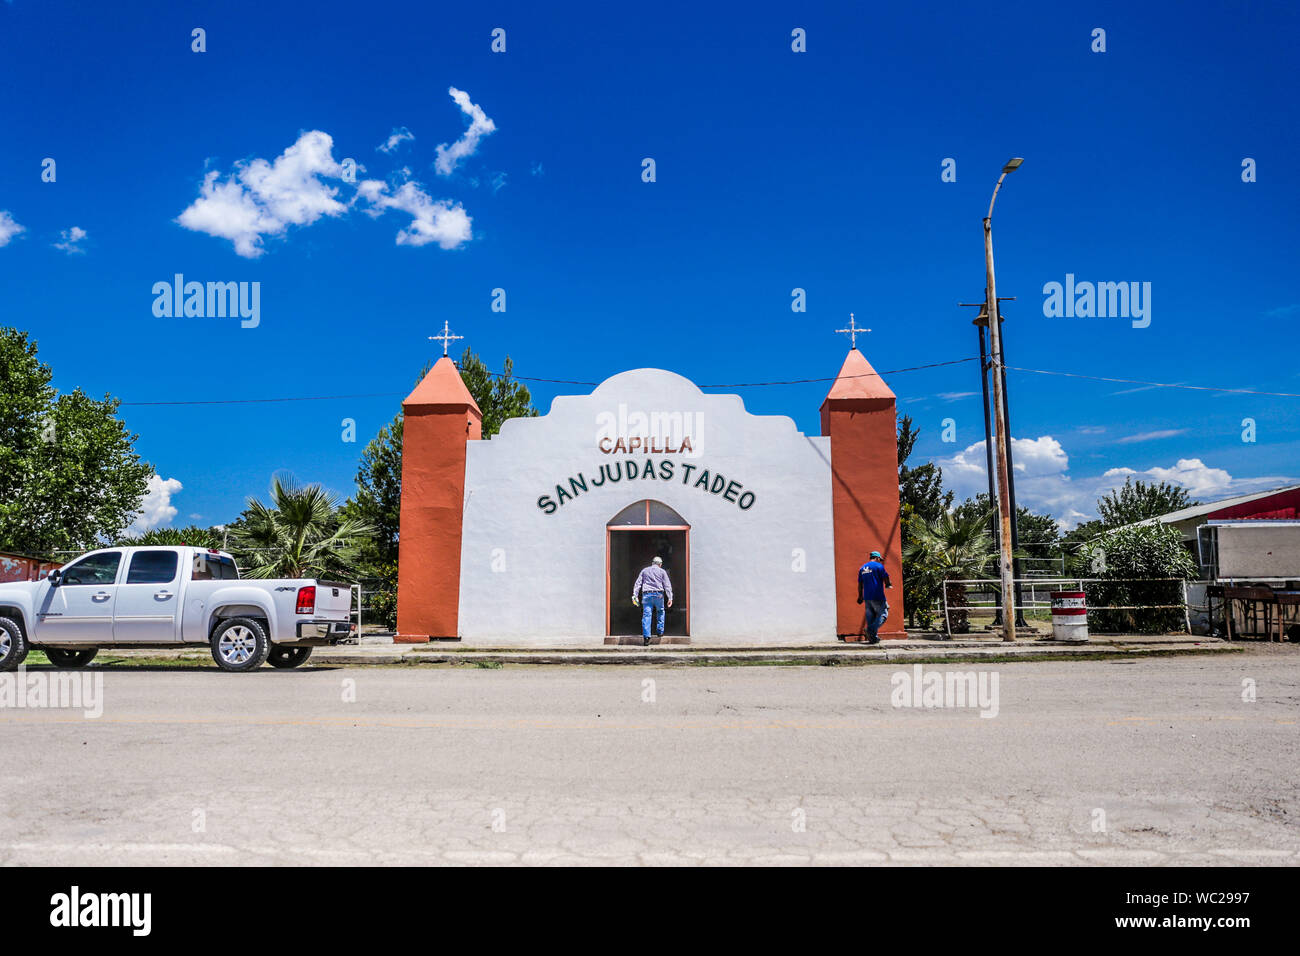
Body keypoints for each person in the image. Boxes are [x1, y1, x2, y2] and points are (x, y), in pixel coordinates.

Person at [632, 556, 673, 646]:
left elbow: (638, 583)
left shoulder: (644, 570)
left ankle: (646, 638)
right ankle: (659, 632)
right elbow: (667, 585)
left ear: (652, 563)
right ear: (660, 564)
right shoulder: (662, 572)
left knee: (647, 615)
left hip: (647, 595)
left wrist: (635, 595)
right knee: (660, 611)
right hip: (659, 595)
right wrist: (670, 598)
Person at [856, 550, 892, 644]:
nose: (880, 561)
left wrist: (860, 596)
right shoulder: (879, 566)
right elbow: (886, 577)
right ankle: (870, 630)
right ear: (877, 558)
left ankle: (873, 639)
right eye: (880, 559)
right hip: (878, 596)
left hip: (867, 597)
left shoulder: (862, 568)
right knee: (884, 614)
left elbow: (860, 584)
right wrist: (888, 584)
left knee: (871, 618)